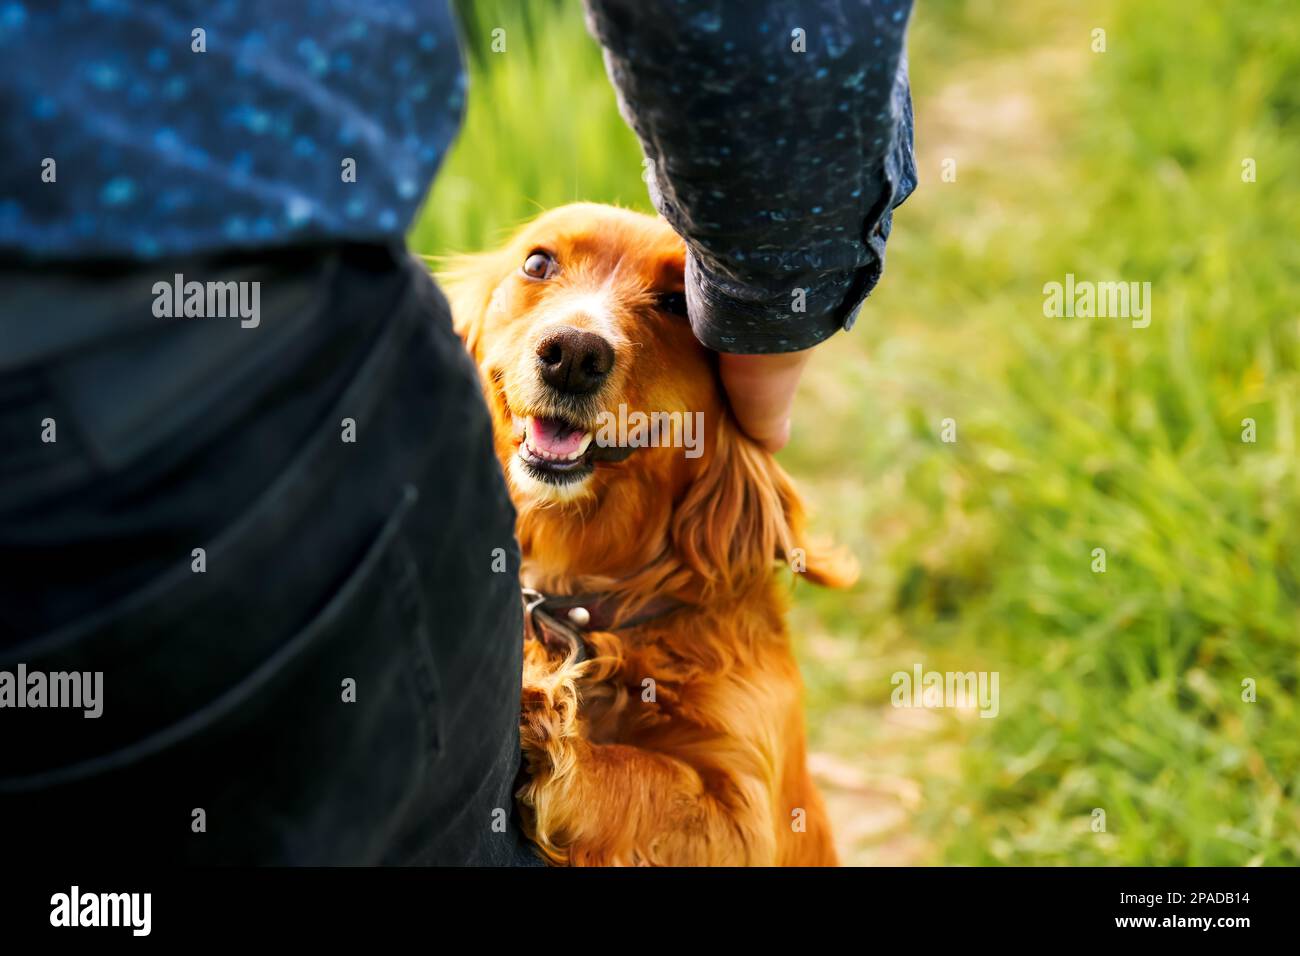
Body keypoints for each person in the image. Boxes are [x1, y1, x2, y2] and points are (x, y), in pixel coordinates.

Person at [0, 0, 914, 864]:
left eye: (672, 306)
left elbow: (730, 832)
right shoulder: (449, 526)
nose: (580, 336)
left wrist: (568, 768)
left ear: (716, 447)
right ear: (468, 339)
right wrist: (782, 281)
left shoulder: (725, 624)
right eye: (542, 266)